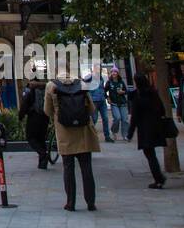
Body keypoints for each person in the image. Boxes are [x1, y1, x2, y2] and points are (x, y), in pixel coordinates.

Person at [44, 71, 100, 211]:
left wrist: (57, 115)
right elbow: (92, 108)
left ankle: (70, 203)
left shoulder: (51, 86)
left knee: (68, 168)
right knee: (87, 168)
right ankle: (91, 202)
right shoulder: (81, 83)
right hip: (83, 132)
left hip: (64, 132)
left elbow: (47, 110)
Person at [127, 73, 169, 188]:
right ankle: (159, 178)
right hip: (156, 126)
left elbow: (134, 116)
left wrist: (130, 133)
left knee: (150, 155)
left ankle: (159, 179)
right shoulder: (153, 92)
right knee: (151, 154)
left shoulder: (138, 96)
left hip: (145, 128)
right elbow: (162, 109)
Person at [19, 78, 50, 170]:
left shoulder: (30, 92)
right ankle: (42, 163)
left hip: (34, 118)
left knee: (31, 137)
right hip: (45, 118)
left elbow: (24, 106)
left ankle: (42, 154)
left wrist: (21, 117)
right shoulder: (46, 91)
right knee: (41, 139)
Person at [105, 68, 130, 141]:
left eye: (115, 72)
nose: (113, 73)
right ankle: (113, 131)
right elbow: (104, 91)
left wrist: (123, 92)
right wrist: (107, 98)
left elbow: (126, 91)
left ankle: (125, 135)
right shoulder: (109, 82)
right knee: (117, 118)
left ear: (118, 73)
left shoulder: (121, 82)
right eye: (112, 72)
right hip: (114, 103)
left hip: (123, 103)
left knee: (125, 119)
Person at [89, 71, 113, 142]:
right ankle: (90, 135)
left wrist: (107, 97)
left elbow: (103, 89)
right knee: (94, 119)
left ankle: (107, 136)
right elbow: (88, 90)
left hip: (102, 101)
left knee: (105, 118)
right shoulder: (90, 78)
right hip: (94, 101)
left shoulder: (101, 78)